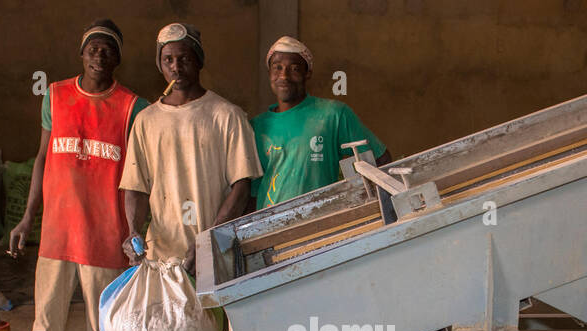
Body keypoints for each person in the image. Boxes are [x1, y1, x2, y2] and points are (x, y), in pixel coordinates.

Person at [0, 19, 146, 331]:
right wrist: (28, 216)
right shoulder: (56, 95)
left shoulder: (132, 106)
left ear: (118, 58)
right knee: (45, 321)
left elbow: (139, 174)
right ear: (81, 53)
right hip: (57, 231)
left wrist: (135, 229)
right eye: (93, 48)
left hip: (105, 232)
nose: (99, 55)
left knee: (101, 324)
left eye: (108, 49)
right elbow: (43, 157)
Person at [121, 23, 262, 272]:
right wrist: (133, 231)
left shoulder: (226, 115)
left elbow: (241, 187)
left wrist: (208, 241)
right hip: (161, 257)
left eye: (184, 58)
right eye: (168, 60)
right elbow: (136, 187)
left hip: (215, 254)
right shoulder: (146, 120)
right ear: (160, 64)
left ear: (199, 61)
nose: (176, 67)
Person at [250, 35, 390, 211]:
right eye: (277, 67)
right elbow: (252, 195)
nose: (284, 76)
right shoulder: (256, 127)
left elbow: (380, 160)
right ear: (269, 73)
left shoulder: (333, 114)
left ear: (307, 73)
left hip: (320, 222)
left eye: (294, 68)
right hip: (270, 224)